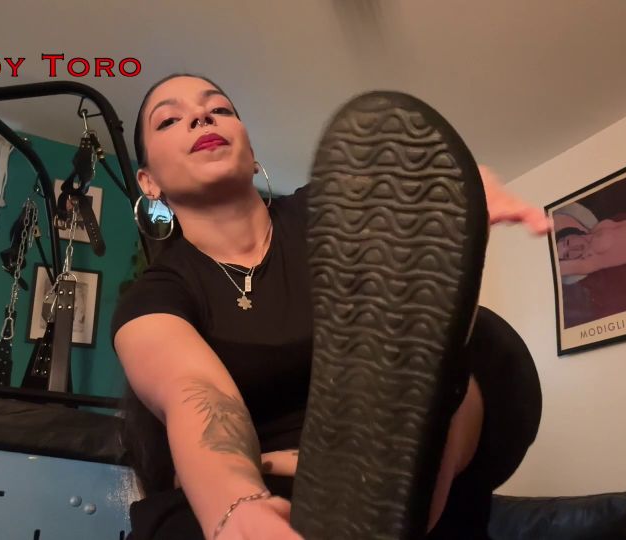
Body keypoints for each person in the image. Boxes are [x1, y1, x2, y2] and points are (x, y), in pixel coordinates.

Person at [112, 74, 548, 540]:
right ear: (148, 182)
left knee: (463, 357)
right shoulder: (156, 295)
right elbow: (194, 392)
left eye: (219, 109)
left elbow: (410, 181)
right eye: (170, 120)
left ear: (251, 152)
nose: (202, 117)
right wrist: (235, 502)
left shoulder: (338, 215)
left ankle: (393, 464)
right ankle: (364, 488)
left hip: (434, 443)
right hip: (266, 490)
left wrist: (453, 191)